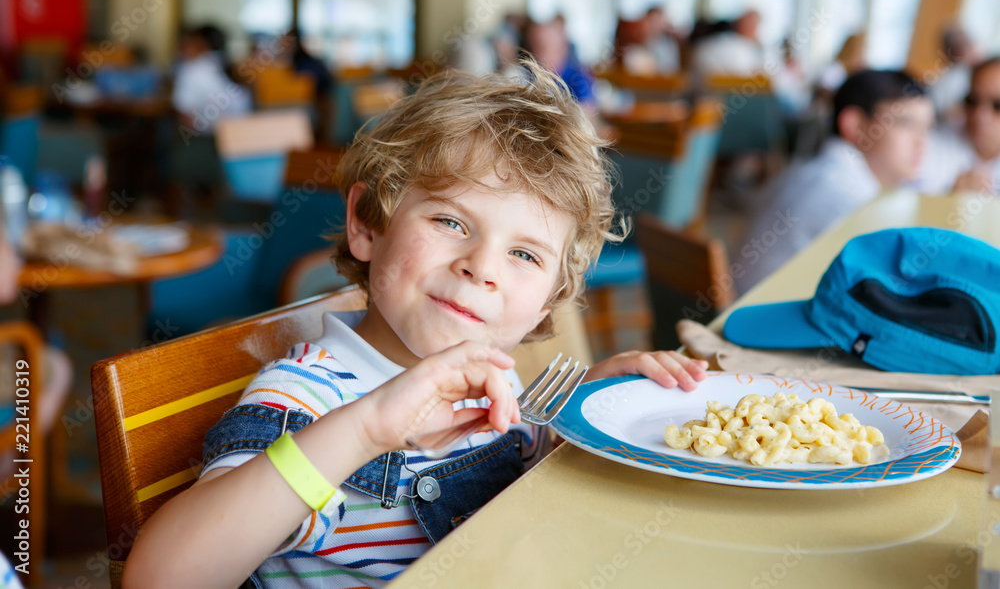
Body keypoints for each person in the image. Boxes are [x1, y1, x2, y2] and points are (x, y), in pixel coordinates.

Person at [124, 60, 709, 589]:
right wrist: (364, 431)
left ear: (547, 305)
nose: (480, 267)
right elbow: (160, 579)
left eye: (524, 255)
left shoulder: (505, 396)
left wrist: (586, 416)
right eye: (451, 222)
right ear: (368, 225)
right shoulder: (308, 400)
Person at [736, 70, 933, 295]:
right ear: (854, 124)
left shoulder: (821, 170)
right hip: (762, 321)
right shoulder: (844, 193)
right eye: (907, 124)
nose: (921, 142)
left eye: (927, 128)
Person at [917, 57, 1000, 196]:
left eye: (997, 105)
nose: (980, 115)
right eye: (972, 101)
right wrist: (949, 199)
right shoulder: (931, 146)